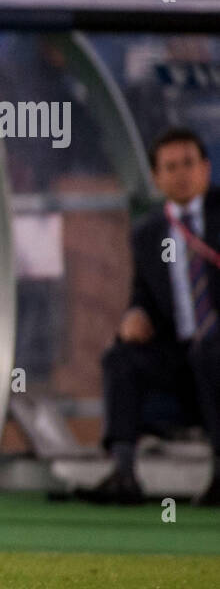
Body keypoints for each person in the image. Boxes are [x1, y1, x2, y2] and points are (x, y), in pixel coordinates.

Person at [90, 127, 220, 506]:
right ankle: (124, 470)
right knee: (121, 359)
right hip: (180, 352)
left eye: (189, 164)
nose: (182, 174)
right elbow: (143, 295)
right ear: (157, 177)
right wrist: (136, 314)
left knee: (208, 353)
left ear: (207, 168)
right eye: (171, 167)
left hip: (216, 351)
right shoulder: (148, 234)